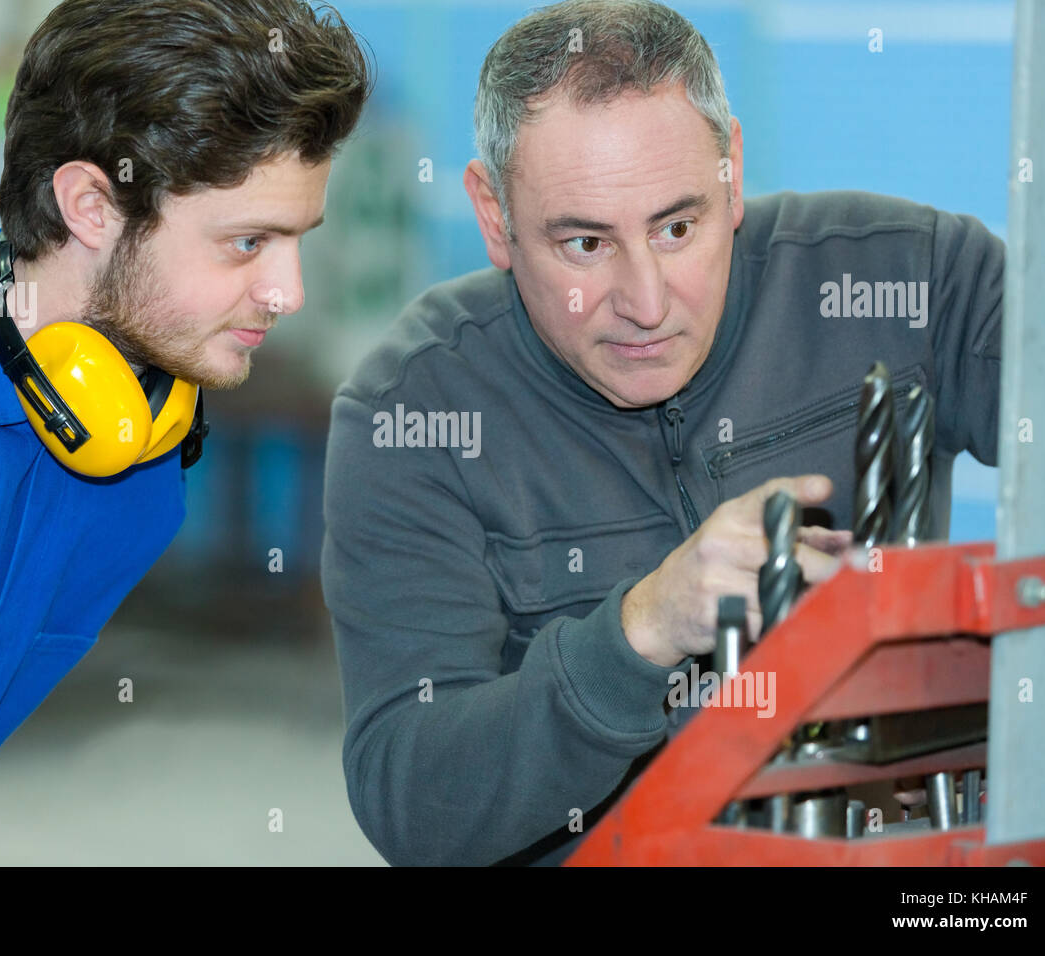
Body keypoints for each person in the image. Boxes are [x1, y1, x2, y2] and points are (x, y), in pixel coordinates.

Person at [322, 0, 1000, 866]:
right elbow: (418, 805)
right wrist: (640, 631)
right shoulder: (412, 413)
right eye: (584, 244)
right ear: (493, 217)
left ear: (733, 170)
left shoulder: (914, 277)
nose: (645, 303)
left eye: (678, 227)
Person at [0, 0, 370, 865]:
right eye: (248, 243)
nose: (289, 293)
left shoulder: (144, 471)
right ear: (92, 206)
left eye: (297, 241)